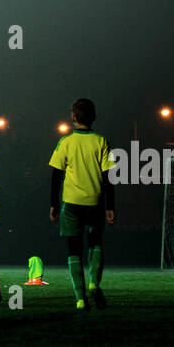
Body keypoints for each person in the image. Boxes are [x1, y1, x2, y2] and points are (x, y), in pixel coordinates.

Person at [48, 99, 115, 310]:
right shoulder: (101, 141)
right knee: (95, 243)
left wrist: (54, 204)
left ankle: (79, 298)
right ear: (93, 117)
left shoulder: (65, 142)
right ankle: (94, 282)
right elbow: (108, 177)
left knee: (73, 250)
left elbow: (56, 175)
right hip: (95, 202)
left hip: (72, 203)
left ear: (73, 117)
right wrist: (110, 206)